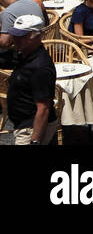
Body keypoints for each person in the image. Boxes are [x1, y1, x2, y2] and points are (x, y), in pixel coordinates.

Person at [2, 13, 57, 144]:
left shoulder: (40, 67)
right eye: (14, 35)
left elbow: (43, 108)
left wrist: (35, 141)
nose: (15, 39)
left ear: (35, 36)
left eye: (20, 36)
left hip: (31, 129)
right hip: (22, 125)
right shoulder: (24, 54)